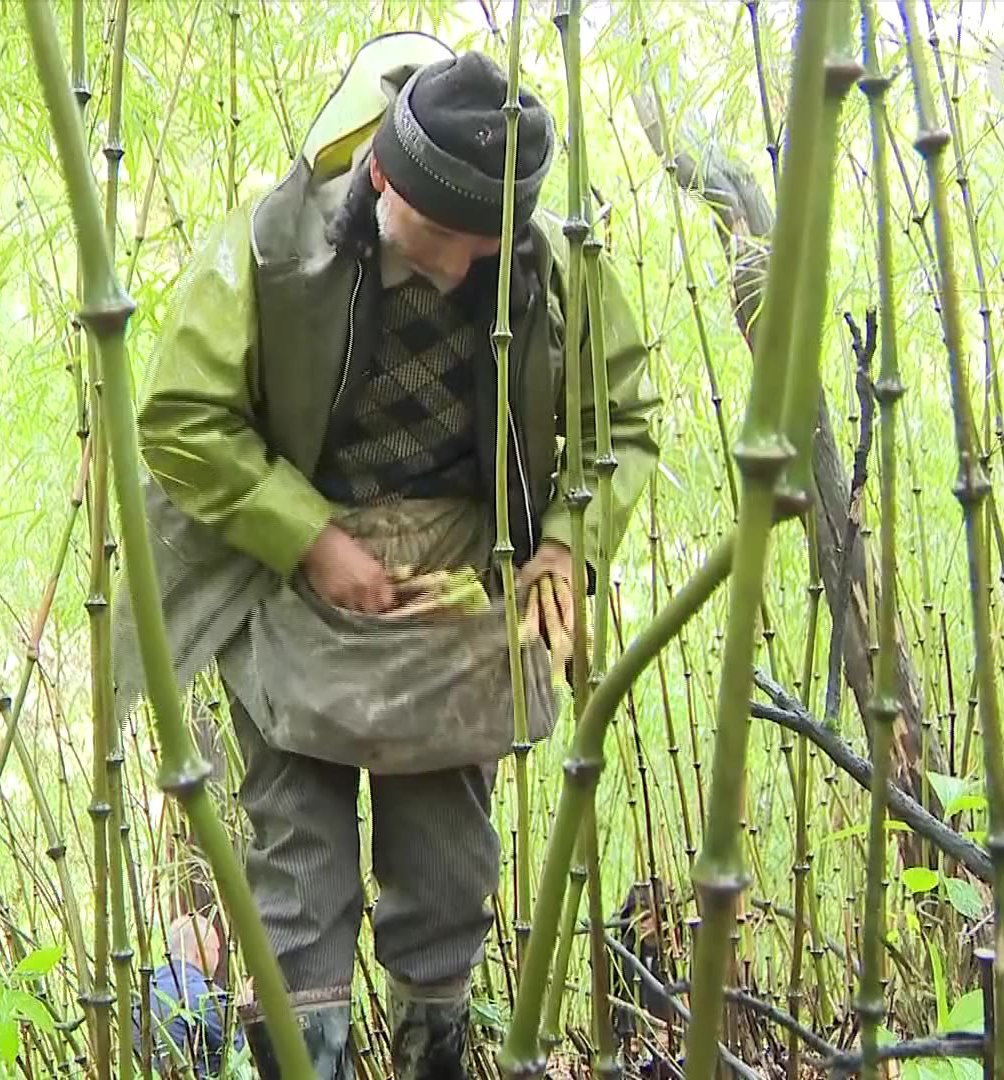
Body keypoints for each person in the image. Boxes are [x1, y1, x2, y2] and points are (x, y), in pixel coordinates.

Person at [116, 30, 661, 1079]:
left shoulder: (553, 269)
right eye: (438, 231)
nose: (458, 263)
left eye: (481, 242)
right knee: (297, 870)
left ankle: (436, 1050)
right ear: (379, 175)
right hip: (289, 595)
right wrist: (311, 540)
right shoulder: (273, 247)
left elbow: (621, 426)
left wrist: (564, 551)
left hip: (457, 608)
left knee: (448, 868)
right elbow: (184, 419)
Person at [133, 912, 240, 1078]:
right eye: (216, 949)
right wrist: (246, 1011)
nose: (219, 956)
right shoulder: (208, 998)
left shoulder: (142, 994)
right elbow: (241, 1058)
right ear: (200, 953)